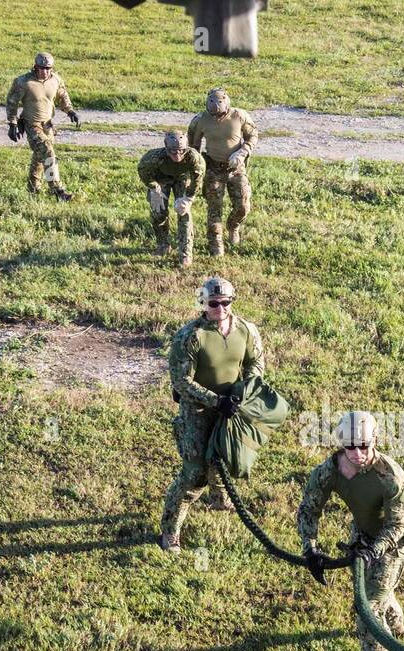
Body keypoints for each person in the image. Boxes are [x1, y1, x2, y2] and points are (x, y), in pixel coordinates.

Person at [297, 411, 404, 651]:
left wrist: (374, 550)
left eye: (365, 445)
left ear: (375, 440)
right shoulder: (330, 470)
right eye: (352, 447)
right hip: (362, 536)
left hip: (392, 544)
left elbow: (399, 525)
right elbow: (309, 508)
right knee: (377, 591)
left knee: (367, 608)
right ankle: (396, 622)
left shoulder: (391, 476)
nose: (359, 453)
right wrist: (310, 549)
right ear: (342, 445)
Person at [160, 277, 265, 551]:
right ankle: (170, 530)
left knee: (224, 458)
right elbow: (181, 382)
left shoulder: (246, 330)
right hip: (197, 411)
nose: (220, 308)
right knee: (194, 473)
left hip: (230, 408)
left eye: (225, 302)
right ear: (203, 304)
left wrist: (240, 391)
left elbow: (255, 363)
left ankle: (220, 498)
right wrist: (216, 401)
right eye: (214, 303)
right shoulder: (190, 336)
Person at [187, 88, 258, 256]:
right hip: (213, 168)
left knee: (243, 205)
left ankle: (233, 226)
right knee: (214, 207)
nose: (216, 111)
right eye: (211, 105)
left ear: (227, 103)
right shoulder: (200, 120)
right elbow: (193, 147)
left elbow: (253, 135)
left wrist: (242, 152)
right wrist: (194, 169)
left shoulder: (239, 116)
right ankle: (215, 241)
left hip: (236, 168)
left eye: (219, 104)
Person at [6, 52, 80, 200]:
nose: (44, 71)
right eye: (41, 68)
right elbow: (12, 102)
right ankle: (57, 191)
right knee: (48, 151)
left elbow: (62, 96)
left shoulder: (55, 80)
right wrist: (12, 123)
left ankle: (33, 189)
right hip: (31, 125)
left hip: (48, 125)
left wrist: (70, 111)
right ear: (35, 67)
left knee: (40, 156)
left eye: (48, 68)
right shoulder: (23, 82)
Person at [138, 131, 206, 267]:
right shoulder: (153, 157)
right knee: (158, 212)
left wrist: (188, 199)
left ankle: (185, 253)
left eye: (181, 151)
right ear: (166, 148)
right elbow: (143, 173)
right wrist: (154, 189)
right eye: (173, 151)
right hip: (161, 179)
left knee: (184, 214)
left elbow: (197, 180)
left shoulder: (194, 157)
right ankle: (163, 245)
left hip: (182, 178)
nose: (177, 155)